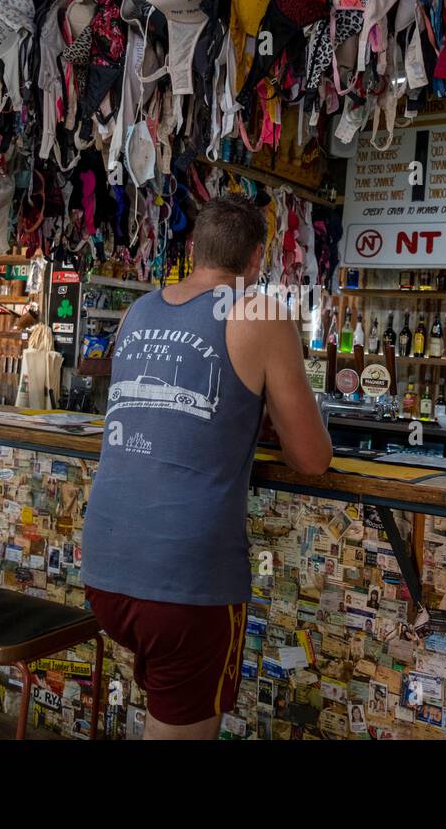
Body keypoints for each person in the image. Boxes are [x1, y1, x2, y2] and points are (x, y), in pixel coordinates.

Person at [82, 195, 332, 740]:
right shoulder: (261, 312)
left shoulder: (137, 311)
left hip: (104, 571)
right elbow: (312, 459)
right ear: (258, 259)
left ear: (194, 251)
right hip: (183, 584)